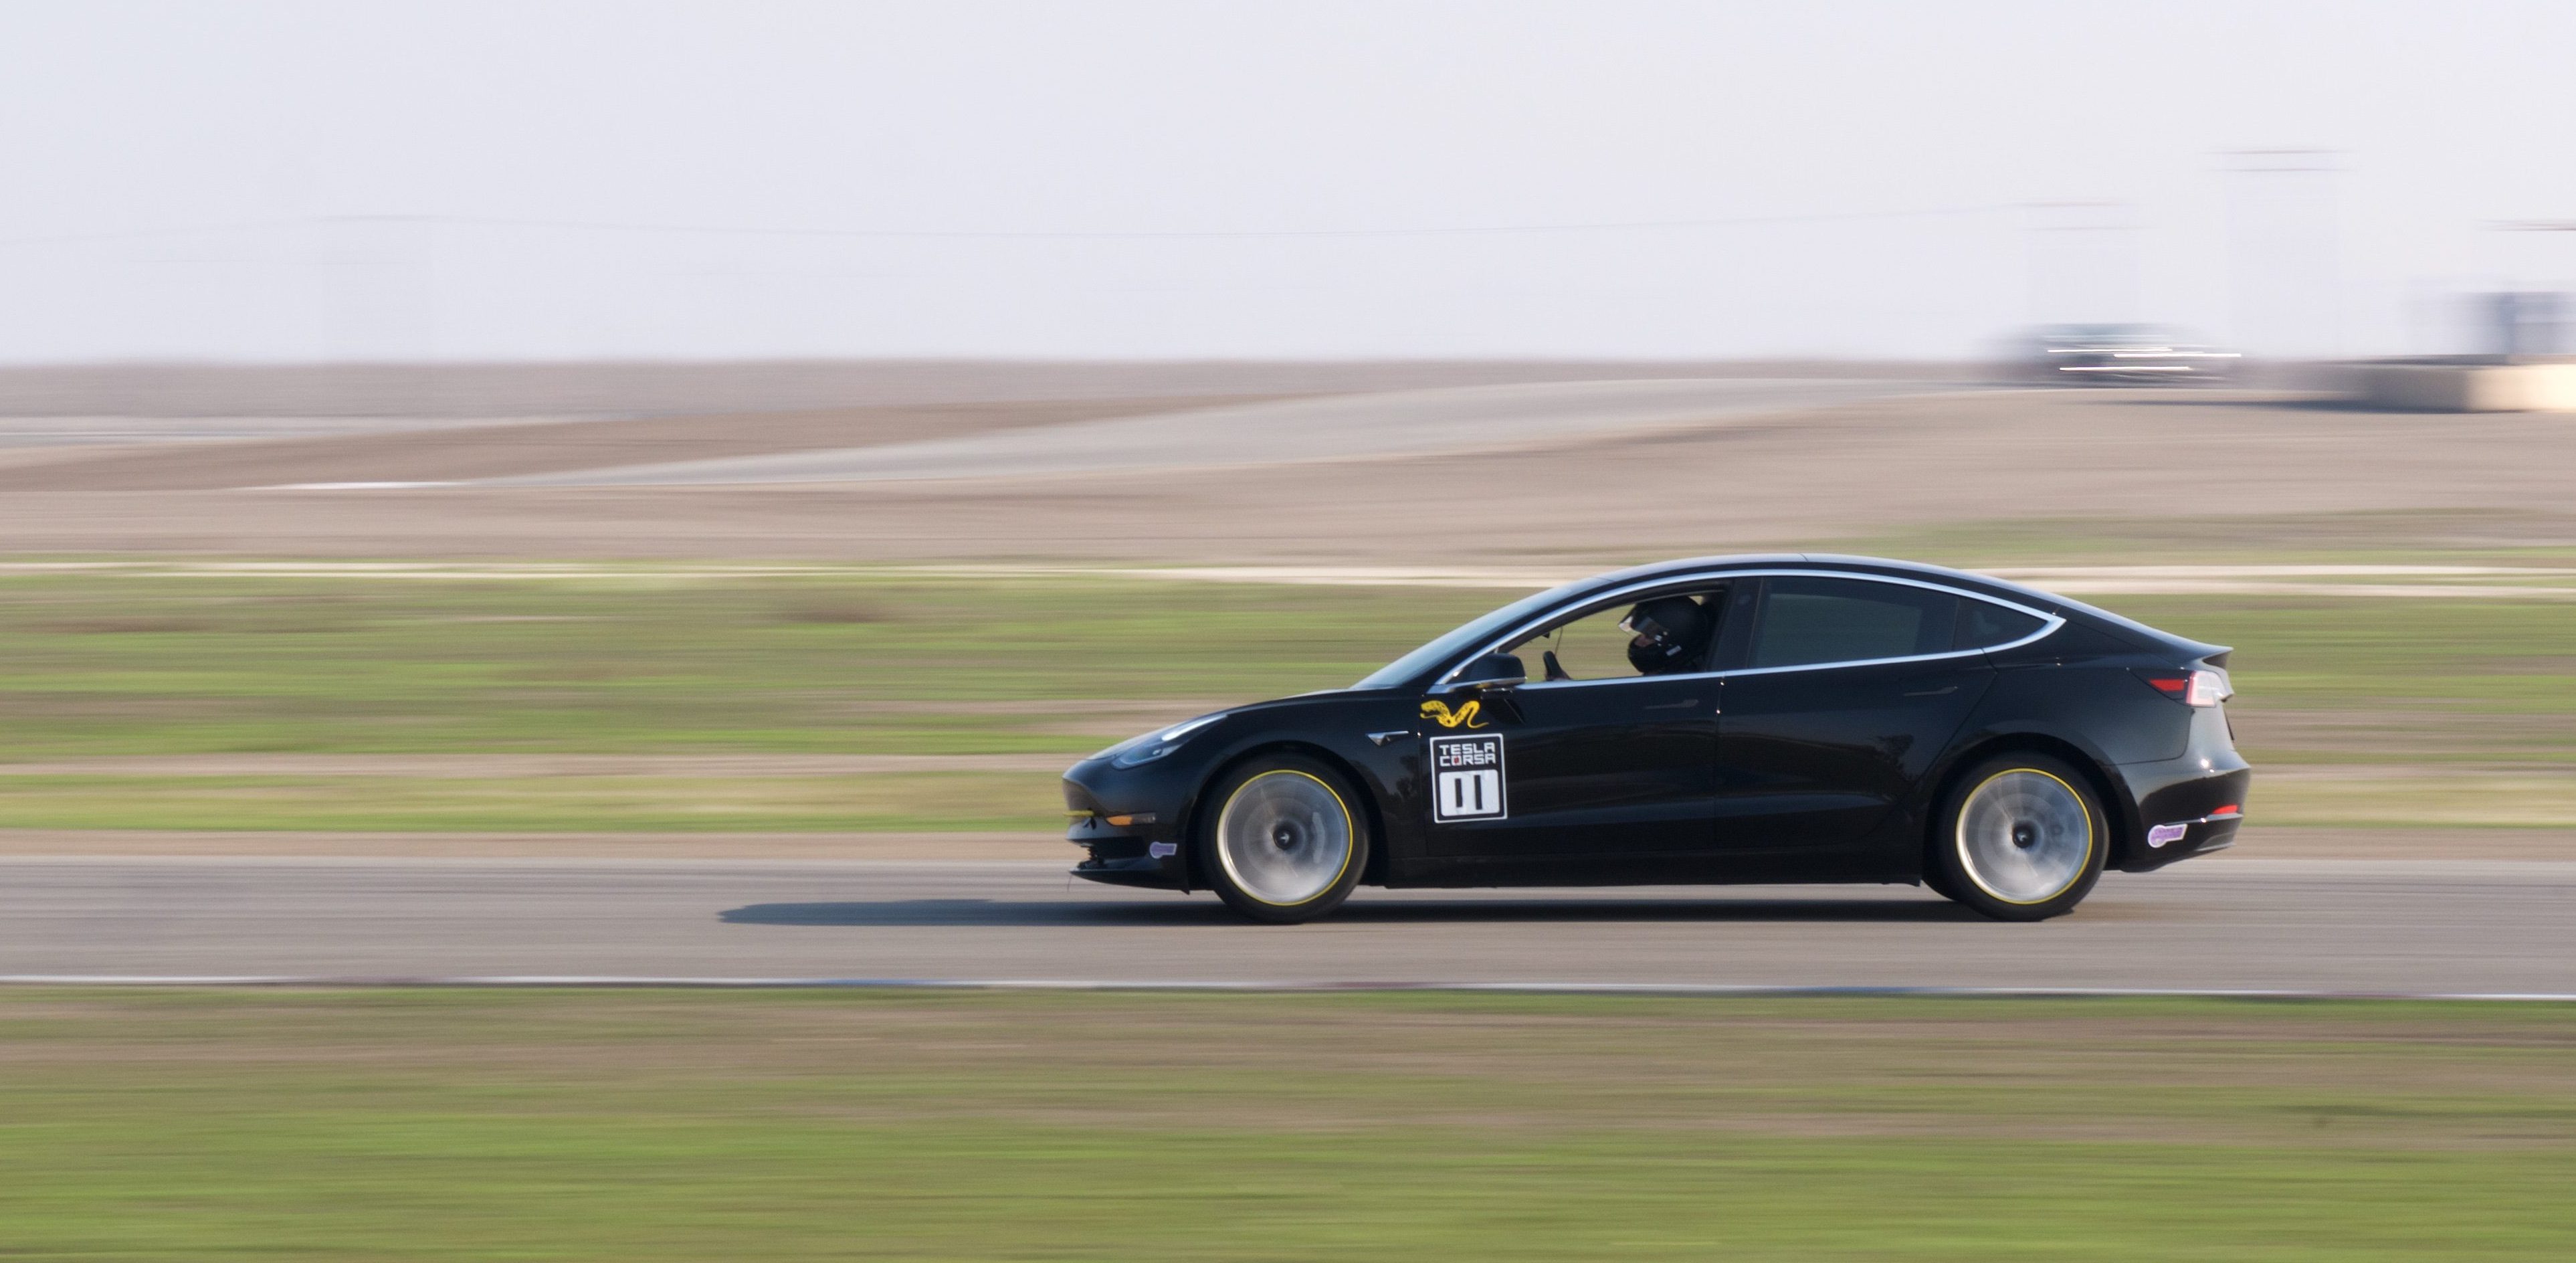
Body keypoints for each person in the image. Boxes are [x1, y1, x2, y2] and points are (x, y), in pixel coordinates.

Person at [1621, 595, 1713, 676]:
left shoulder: (1678, 682)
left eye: (1649, 636)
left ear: (1675, 641)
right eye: (1642, 634)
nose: (1639, 642)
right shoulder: (1667, 672)